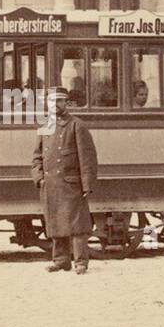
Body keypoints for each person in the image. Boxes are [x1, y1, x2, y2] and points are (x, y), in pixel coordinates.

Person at [31, 86, 98, 274]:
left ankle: (81, 262)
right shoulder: (45, 127)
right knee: (55, 223)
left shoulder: (77, 125)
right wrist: (39, 178)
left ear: (66, 103)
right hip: (50, 184)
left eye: (59, 101)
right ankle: (61, 261)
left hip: (71, 183)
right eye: (52, 101)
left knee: (77, 225)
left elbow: (87, 158)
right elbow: (36, 157)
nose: (55, 105)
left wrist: (87, 185)